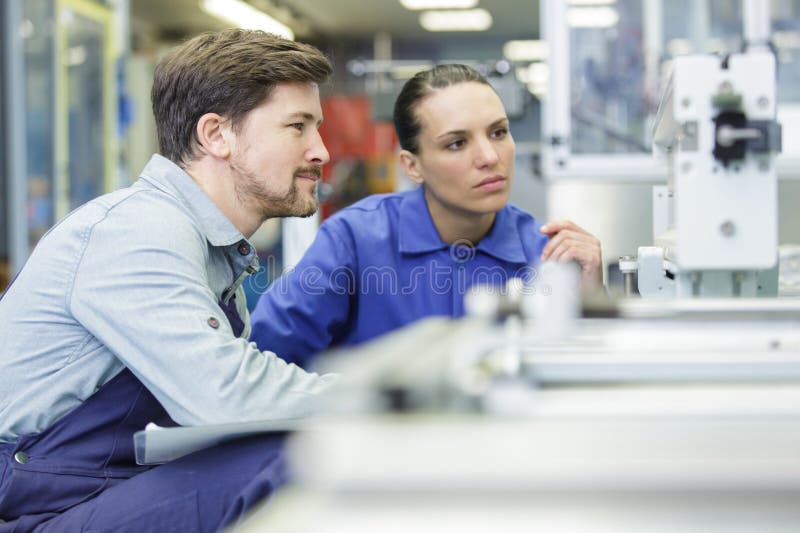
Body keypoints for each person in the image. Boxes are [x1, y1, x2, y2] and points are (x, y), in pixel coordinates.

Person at [0, 29, 337, 532]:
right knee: (299, 460)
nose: (321, 151)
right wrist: (376, 405)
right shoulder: (139, 231)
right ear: (216, 135)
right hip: (37, 506)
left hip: (95, 484)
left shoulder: (212, 247)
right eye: (297, 127)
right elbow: (222, 395)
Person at [249, 64, 602, 369]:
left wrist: (591, 300)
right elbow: (264, 358)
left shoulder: (546, 253)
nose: (489, 156)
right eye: (456, 143)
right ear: (412, 166)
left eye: (498, 132)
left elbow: (581, 390)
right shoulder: (355, 240)